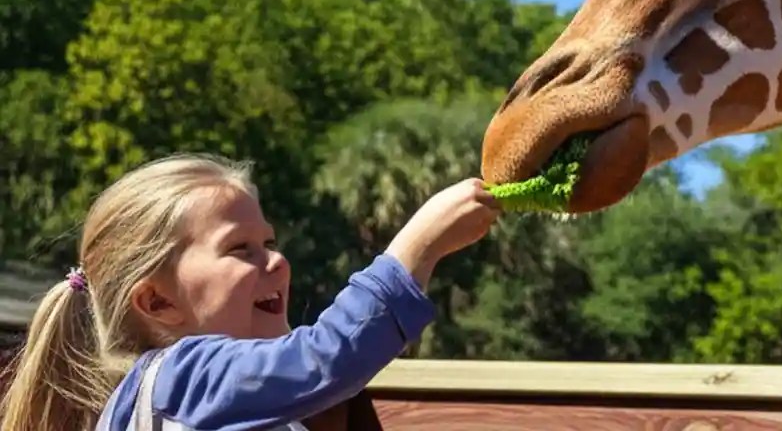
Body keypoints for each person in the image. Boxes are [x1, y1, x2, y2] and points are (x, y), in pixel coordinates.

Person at [0, 153, 500, 431]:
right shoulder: (180, 376)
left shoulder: (196, 398)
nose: (277, 261)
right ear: (157, 303)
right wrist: (417, 249)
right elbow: (323, 359)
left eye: (270, 242)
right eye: (240, 249)